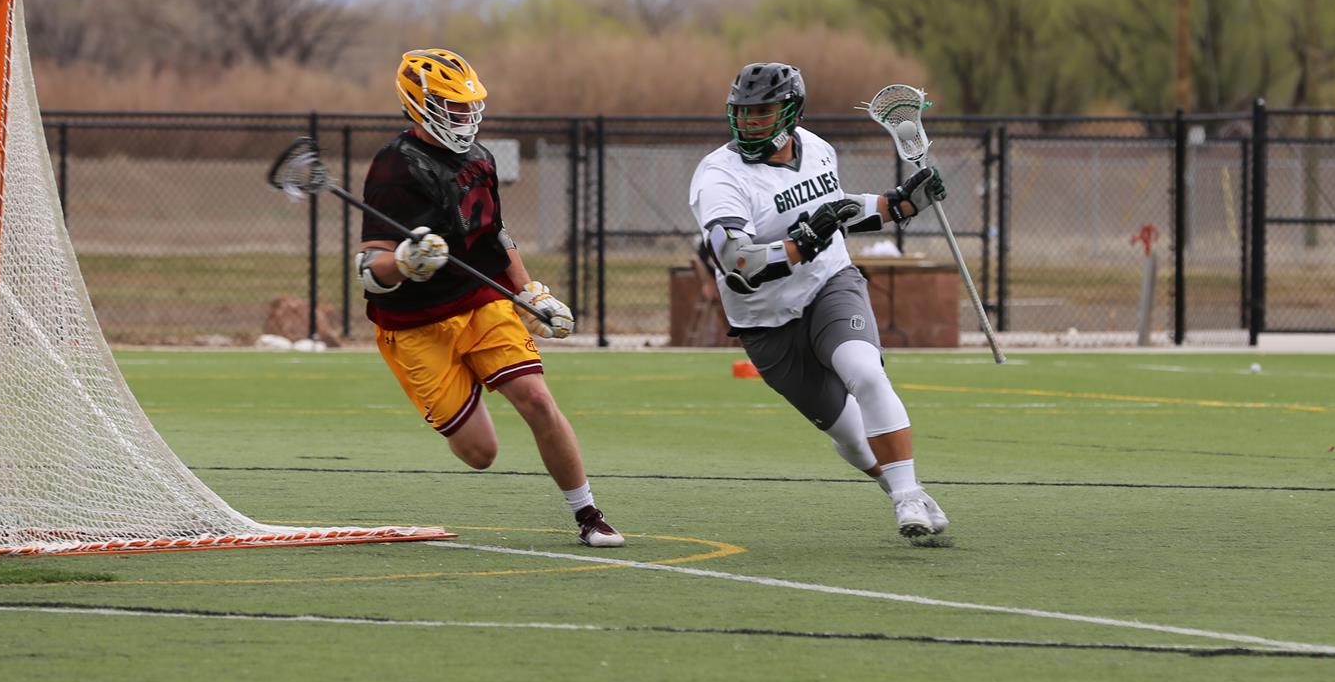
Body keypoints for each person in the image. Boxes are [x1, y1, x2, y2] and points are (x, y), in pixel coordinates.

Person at [358, 48, 623, 547]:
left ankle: (588, 514)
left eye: (467, 106)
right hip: (413, 324)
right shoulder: (394, 168)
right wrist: (406, 262)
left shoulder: (480, 158)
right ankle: (470, 382)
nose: (464, 116)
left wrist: (529, 292)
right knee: (480, 453)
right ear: (420, 104)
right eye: (453, 107)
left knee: (538, 400)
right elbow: (370, 272)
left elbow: (495, 234)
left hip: (481, 302)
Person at [688, 62, 951, 540]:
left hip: (830, 284)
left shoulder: (819, 150)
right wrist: (801, 243)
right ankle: (900, 490)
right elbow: (736, 260)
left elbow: (840, 210)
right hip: (766, 321)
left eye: (763, 111)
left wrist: (899, 204)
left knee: (865, 371)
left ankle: (909, 494)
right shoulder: (719, 176)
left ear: (791, 111)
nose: (750, 122)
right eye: (743, 113)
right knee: (850, 436)